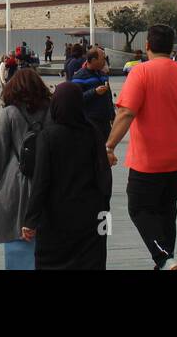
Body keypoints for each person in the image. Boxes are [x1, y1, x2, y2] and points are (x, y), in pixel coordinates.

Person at [105, 22, 177, 270]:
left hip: (148, 161)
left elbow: (126, 114)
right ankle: (167, 261)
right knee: (167, 210)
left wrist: (109, 145)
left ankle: (164, 258)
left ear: (147, 46)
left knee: (139, 208)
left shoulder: (140, 73)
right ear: (172, 46)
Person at [23, 81, 112, 270]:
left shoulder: (48, 136)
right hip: (91, 215)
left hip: (56, 218)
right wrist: (105, 218)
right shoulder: (93, 132)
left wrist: (30, 220)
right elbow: (105, 176)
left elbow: (41, 181)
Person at [0, 68, 51, 269]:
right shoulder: (51, 110)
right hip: (47, 179)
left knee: (17, 230)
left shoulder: (10, 113)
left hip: (16, 180)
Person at [70, 46, 116, 144]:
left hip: (104, 121)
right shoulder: (79, 77)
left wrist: (112, 115)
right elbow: (75, 99)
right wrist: (94, 92)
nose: (105, 61)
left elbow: (109, 96)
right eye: (103, 59)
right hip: (90, 122)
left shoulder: (103, 75)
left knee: (105, 151)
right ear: (94, 60)